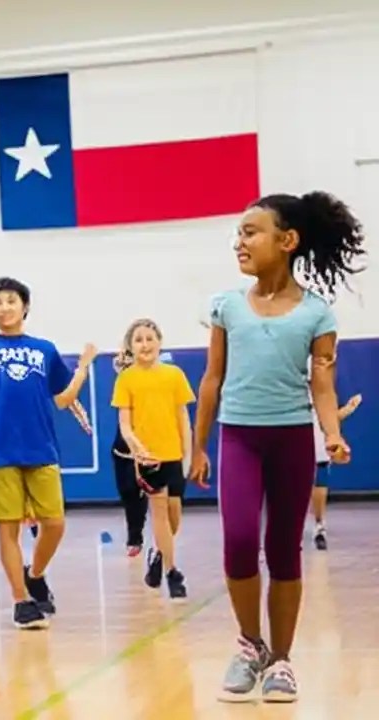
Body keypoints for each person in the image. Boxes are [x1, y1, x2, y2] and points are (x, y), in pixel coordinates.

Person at [191, 192, 363, 703]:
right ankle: (250, 645)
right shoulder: (225, 306)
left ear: (287, 241)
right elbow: (212, 379)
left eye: (251, 231)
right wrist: (197, 446)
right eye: (238, 232)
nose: (239, 241)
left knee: (284, 549)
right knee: (240, 539)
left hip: (290, 440)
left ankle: (282, 661)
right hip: (239, 437)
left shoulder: (316, 314)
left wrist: (331, 433)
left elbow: (323, 384)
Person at [0, 277, 95, 631]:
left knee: (55, 524)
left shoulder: (44, 349)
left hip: (41, 447)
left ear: (25, 306)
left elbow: (61, 399)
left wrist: (84, 367)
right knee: (8, 528)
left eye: (11, 300)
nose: (4, 307)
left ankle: (36, 573)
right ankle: (20, 600)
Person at [111, 319, 195, 600]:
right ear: (130, 347)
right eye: (138, 340)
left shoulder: (174, 375)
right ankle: (173, 573)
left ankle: (159, 554)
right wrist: (136, 446)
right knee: (159, 513)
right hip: (149, 459)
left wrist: (189, 453)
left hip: (174, 454)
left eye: (149, 338)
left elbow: (183, 417)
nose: (145, 344)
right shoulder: (126, 379)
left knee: (174, 514)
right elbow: (125, 423)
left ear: (159, 341)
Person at [308, 392, 360, 550]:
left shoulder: (320, 387)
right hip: (290, 439)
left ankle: (319, 528)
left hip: (318, 442)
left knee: (320, 484)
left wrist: (348, 408)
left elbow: (331, 418)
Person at [109, 350, 149, 557]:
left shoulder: (150, 382)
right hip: (120, 448)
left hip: (142, 449)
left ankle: (135, 536)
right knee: (126, 492)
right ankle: (133, 531)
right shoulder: (123, 384)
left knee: (137, 491)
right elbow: (118, 362)